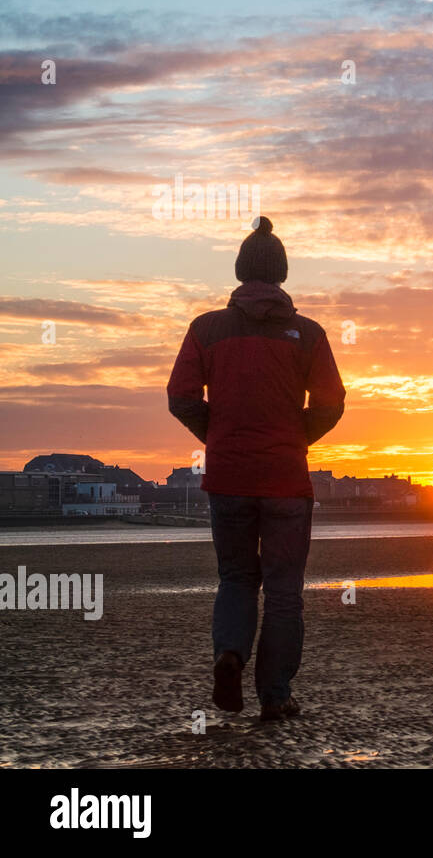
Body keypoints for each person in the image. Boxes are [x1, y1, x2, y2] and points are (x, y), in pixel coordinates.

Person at [166, 216, 345, 721]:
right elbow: (332, 402)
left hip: (229, 479)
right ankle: (275, 695)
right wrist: (294, 438)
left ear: (241, 270)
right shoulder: (307, 334)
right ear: (283, 273)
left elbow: (180, 397)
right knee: (285, 592)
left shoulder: (207, 328)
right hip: (286, 481)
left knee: (237, 578)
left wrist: (220, 438)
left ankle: (230, 656)